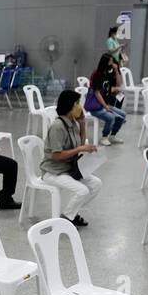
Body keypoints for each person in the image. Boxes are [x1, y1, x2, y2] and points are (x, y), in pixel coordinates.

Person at [40, 90, 102, 228]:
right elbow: (56, 156)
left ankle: (72, 213)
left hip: (69, 168)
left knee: (96, 184)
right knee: (83, 190)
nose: (80, 106)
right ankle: (66, 219)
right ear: (69, 106)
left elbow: (79, 145)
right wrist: (80, 149)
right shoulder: (58, 126)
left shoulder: (72, 122)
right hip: (53, 171)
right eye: (77, 103)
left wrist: (82, 125)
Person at [86, 54, 126, 145]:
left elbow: (118, 85)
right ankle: (104, 137)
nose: (112, 63)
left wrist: (116, 70)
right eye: (110, 61)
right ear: (105, 62)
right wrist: (105, 106)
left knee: (122, 115)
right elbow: (96, 92)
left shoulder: (107, 73)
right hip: (96, 106)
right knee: (111, 117)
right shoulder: (97, 74)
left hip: (105, 104)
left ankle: (112, 135)